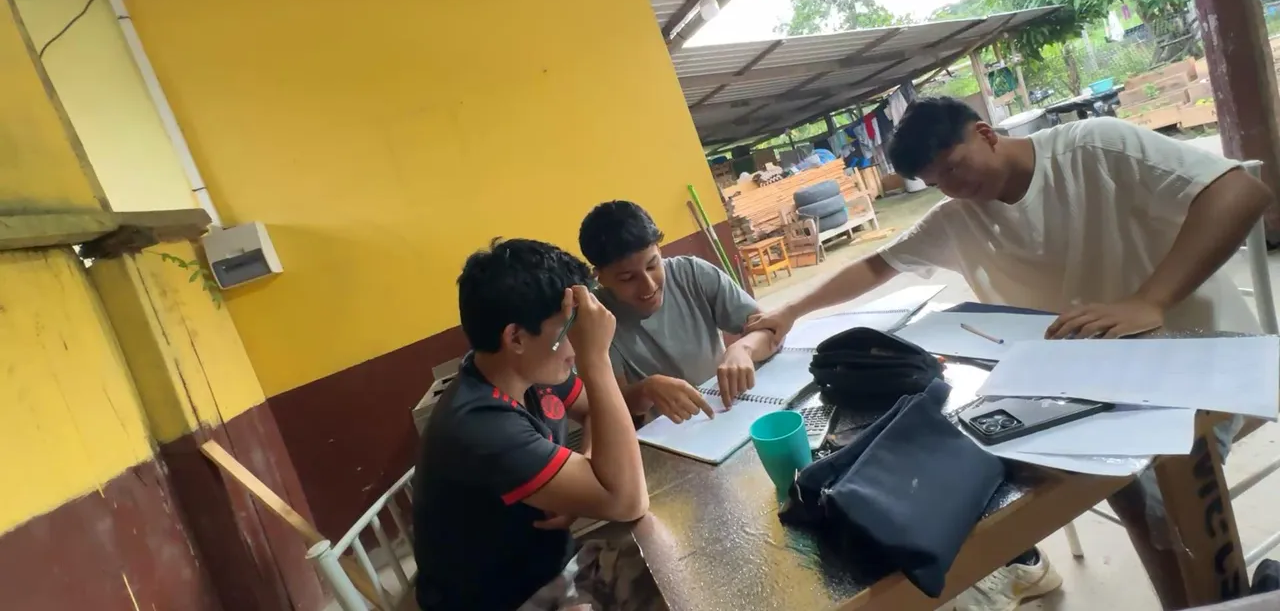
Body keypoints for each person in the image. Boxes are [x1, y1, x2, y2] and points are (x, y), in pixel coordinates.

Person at [745, 96, 1273, 610]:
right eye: (938, 183)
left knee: (1160, 493)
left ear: (985, 134)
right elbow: (876, 265)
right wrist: (790, 312)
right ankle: (1139, 589)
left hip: (1193, 359)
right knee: (1042, 471)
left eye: (954, 167)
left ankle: (1210, 596)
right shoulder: (960, 214)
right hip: (1091, 382)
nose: (954, 188)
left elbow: (1241, 191)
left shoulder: (1094, 149)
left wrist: (1150, 301)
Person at [412, 239, 663, 611]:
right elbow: (628, 501)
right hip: (509, 599)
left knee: (672, 563)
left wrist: (586, 473)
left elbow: (594, 411)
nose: (576, 343)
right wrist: (596, 359)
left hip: (556, 567)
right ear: (515, 337)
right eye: (570, 329)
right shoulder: (480, 426)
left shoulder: (524, 368)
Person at [578, 201, 779, 423]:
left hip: (729, 408)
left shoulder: (693, 274)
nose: (648, 286)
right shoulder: (595, 319)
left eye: (652, 265)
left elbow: (771, 329)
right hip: (670, 431)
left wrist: (743, 348)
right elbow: (609, 404)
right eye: (628, 278)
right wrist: (646, 390)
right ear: (601, 277)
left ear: (659, 250)